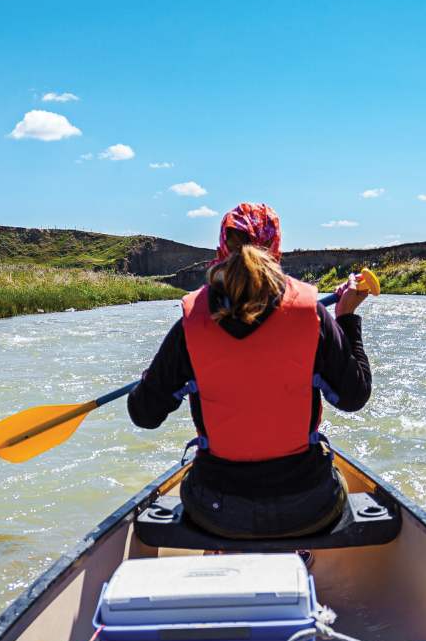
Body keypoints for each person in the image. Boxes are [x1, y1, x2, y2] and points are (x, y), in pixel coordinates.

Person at [127, 203, 371, 538]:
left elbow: (144, 414)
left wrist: (153, 376)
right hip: (309, 505)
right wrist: (346, 318)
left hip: (216, 510)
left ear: (221, 249)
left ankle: (224, 548)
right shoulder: (312, 315)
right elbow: (355, 396)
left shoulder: (191, 324)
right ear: (276, 248)